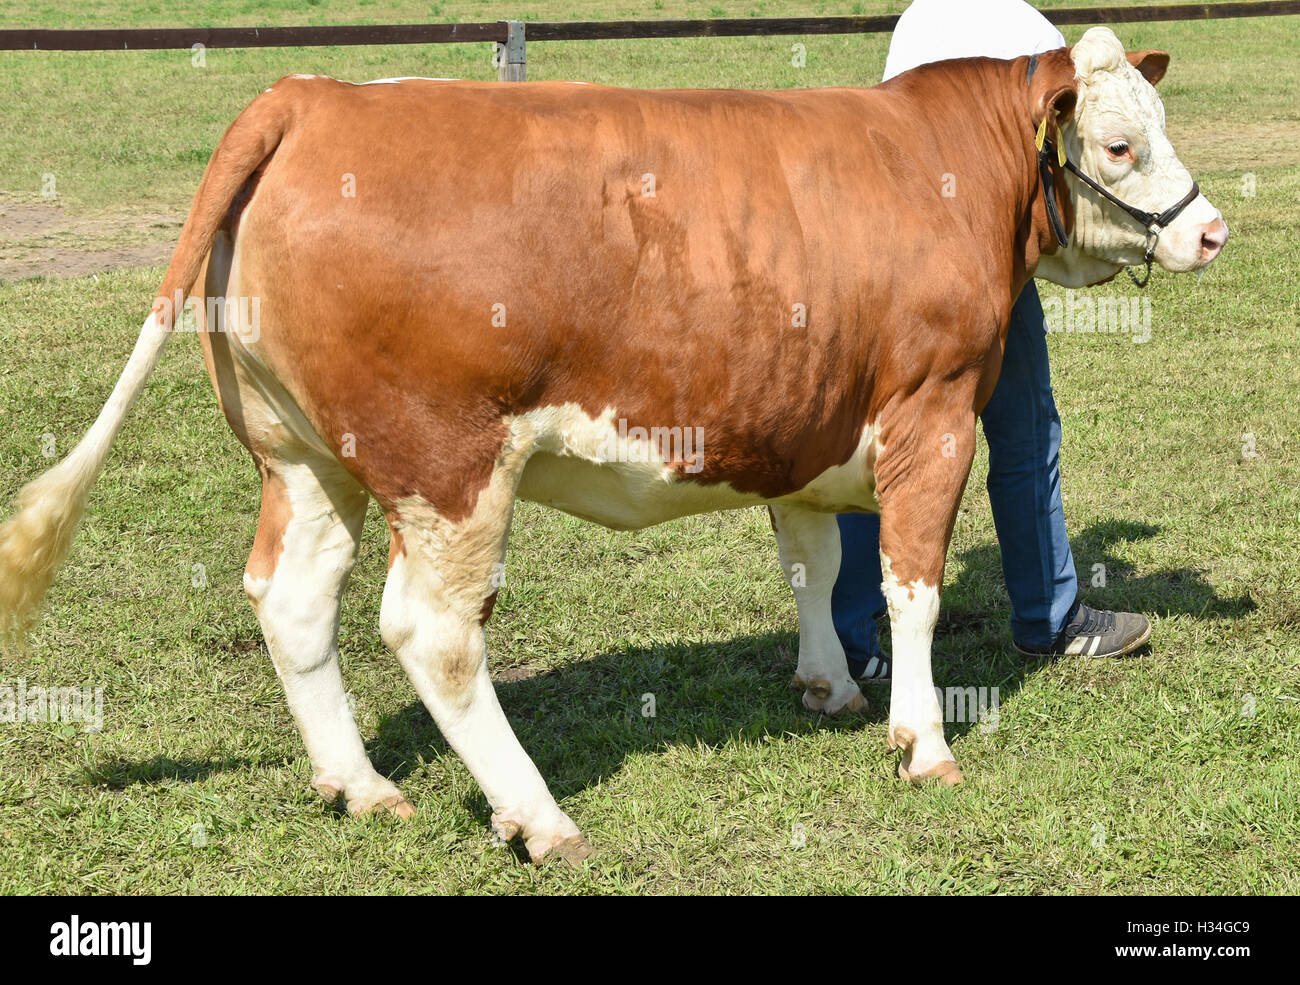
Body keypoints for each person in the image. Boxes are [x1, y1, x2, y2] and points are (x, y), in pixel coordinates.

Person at [834, 0, 1152, 681]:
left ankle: (848, 641)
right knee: (1025, 433)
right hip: (991, 262)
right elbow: (1066, 158)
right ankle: (1048, 617)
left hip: (895, 264)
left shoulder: (918, 20)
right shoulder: (1029, 29)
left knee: (871, 443)